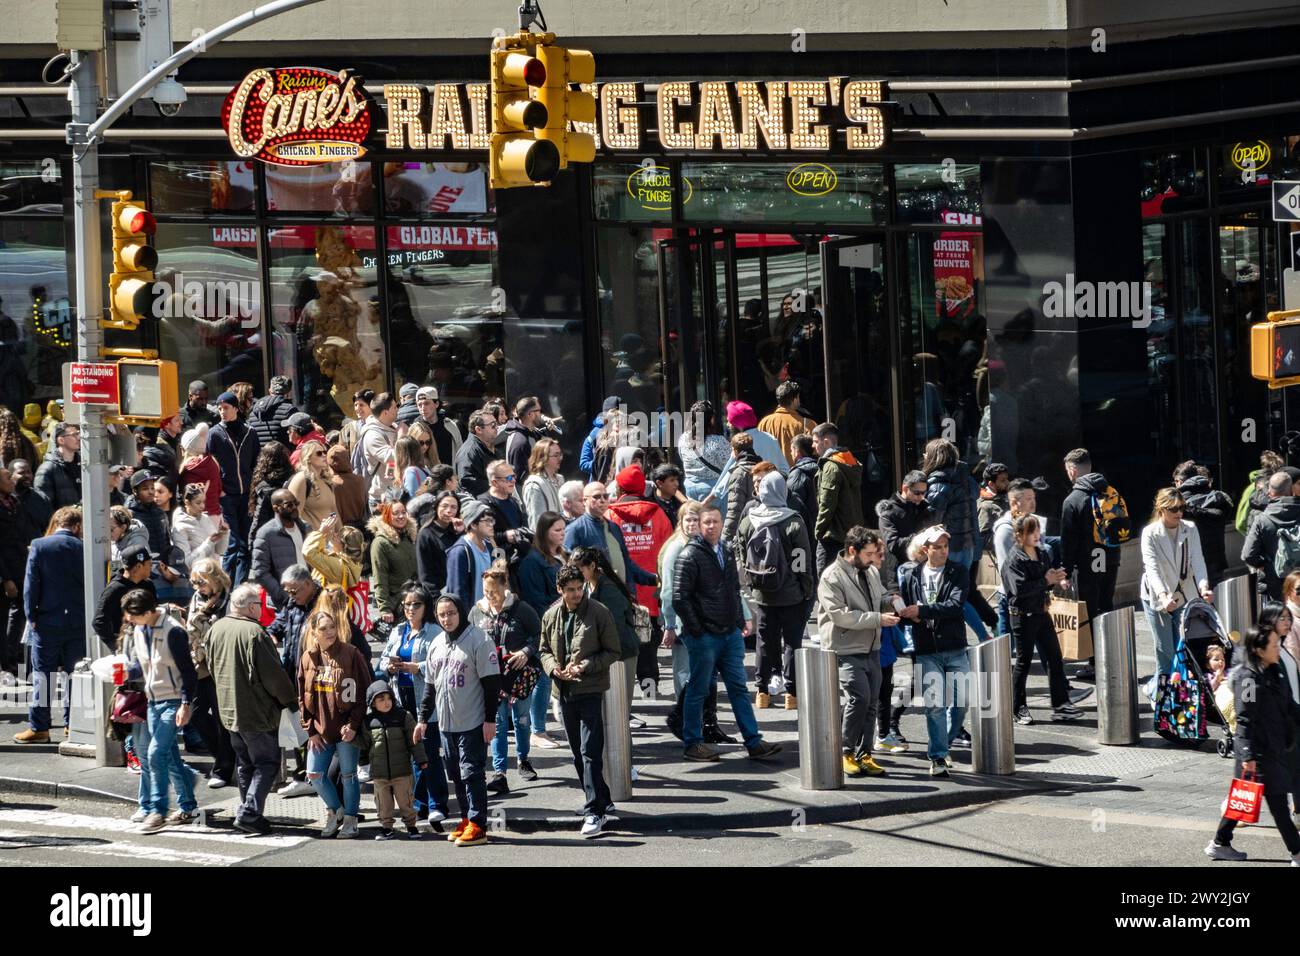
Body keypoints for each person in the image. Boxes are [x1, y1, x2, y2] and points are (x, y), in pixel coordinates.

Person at [672, 504, 783, 763]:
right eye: (706, 522)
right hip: (705, 636)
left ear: (722, 523)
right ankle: (693, 743)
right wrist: (698, 630)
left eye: (715, 522)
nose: (711, 526)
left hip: (728, 633)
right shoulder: (689, 555)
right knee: (698, 689)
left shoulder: (726, 550)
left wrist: (738, 620)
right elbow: (679, 597)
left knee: (738, 689)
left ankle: (753, 741)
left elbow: (733, 588)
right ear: (699, 526)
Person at [1204, 604, 1300, 865]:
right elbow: (1245, 720)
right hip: (1257, 753)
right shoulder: (1248, 679)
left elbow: (1289, 705)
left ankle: (1220, 842)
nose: (1278, 648)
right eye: (1273, 646)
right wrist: (1247, 755)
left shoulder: (1273, 670)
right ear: (1259, 650)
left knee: (1241, 801)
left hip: (1272, 748)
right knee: (1278, 803)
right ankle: (1296, 851)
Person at [206, 583, 298, 835]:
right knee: (267, 763)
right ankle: (249, 813)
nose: (262, 608)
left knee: (245, 764)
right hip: (256, 712)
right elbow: (274, 677)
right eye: (259, 604)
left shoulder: (217, 628)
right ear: (250, 607)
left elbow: (211, 667)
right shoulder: (255, 634)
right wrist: (290, 701)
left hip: (229, 711)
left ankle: (247, 811)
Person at [538, 563, 621, 838]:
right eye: (570, 590)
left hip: (590, 690)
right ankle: (601, 799)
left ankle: (593, 811)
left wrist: (586, 665)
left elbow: (613, 651)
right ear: (560, 590)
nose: (576, 594)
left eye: (579, 588)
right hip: (563, 691)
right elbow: (543, 650)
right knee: (577, 752)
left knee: (589, 751)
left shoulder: (599, 613)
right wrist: (553, 669)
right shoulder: (551, 615)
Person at [414, 593, 501, 847]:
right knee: (455, 774)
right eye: (442, 614)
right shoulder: (436, 643)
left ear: (461, 612)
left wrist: (490, 719)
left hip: (472, 721)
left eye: (451, 613)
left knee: (472, 772)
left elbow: (492, 684)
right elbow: (429, 687)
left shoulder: (479, 640)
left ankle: (478, 823)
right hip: (445, 724)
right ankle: (465, 818)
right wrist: (421, 719)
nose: (447, 618)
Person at [818, 526, 898, 777]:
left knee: (871, 702)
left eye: (875, 552)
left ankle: (865, 754)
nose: (873, 558)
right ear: (852, 550)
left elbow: (880, 596)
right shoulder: (832, 576)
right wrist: (877, 618)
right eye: (869, 553)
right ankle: (845, 751)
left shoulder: (870, 571)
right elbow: (840, 615)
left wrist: (893, 601)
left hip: (872, 646)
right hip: (845, 647)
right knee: (859, 698)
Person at [118, 588, 199, 833]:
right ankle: (188, 806)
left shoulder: (173, 631)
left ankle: (158, 810)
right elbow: (144, 665)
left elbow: (188, 672)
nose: (129, 621)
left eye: (133, 616)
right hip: (153, 701)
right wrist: (125, 671)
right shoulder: (141, 629)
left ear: (148, 612)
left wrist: (186, 704)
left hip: (172, 701)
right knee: (170, 756)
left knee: (155, 754)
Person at [735, 471, 814, 710]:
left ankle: (761, 692)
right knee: (792, 643)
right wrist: (806, 588)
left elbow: (740, 553)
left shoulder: (749, 519)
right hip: (791, 594)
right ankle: (792, 694)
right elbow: (802, 560)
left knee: (764, 642)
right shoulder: (793, 521)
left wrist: (749, 582)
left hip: (761, 593)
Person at [896, 526, 969, 777]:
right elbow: (906, 611)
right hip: (926, 648)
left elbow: (955, 605)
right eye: (937, 547)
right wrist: (906, 616)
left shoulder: (958, 571)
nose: (943, 551)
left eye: (945, 546)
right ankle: (937, 756)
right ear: (925, 549)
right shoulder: (912, 574)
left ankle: (944, 745)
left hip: (955, 646)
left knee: (962, 702)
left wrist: (922, 611)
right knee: (934, 705)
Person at [659, 502, 731, 744]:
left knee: (708, 675)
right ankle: (688, 722)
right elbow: (669, 591)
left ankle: (708, 724)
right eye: (687, 520)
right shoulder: (676, 549)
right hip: (685, 624)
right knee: (687, 673)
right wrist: (669, 624)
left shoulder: (708, 547)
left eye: (695, 520)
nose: (691, 524)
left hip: (707, 623)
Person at [1003, 515, 1084, 724]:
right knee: (1023, 662)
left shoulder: (1041, 553)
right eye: (1031, 531)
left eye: (1037, 530)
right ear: (1019, 535)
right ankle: (1017, 707)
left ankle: (1061, 704)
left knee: (1055, 658)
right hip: (1022, 616)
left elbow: (1045, 581)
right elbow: (1018, 590)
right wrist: (1045, 580)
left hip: (1042, 612)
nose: (1036, 535)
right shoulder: (1015, 559)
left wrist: (1057, 579)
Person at [379, 583, 450, 826]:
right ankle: (420, 803)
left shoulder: (434, 632)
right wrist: (389, 665)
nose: (410, 608)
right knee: (412, 752)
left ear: (425, 607)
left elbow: (442, 662)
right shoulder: (398, 631)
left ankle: (437, 804)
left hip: (425, 698)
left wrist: (416, 667)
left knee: (428, 752)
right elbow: (382, 660)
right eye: (407, 604)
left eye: (416, 604)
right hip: (401, 697)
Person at [298, 605, 370, 839]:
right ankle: (335, 811)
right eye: (323, 628)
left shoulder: (351, 653)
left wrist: (354, 725)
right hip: (321, 730)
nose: (329, 632)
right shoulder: (308, 658)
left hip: (347, 728)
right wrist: (311, 731)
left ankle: (350, 819)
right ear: (314, 632)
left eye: (332, 627)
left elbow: (363, 693)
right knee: (315, 774)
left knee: (349, 775)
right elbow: (302, 697)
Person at [471, 561, 542, 793]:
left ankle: (523, 760)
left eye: (494, 591)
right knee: (498, 723)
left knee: (522, 720)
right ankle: (499, 771)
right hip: (492, 677)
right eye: (486, 591)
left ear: (505, 588)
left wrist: (526, 652)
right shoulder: (477, 611)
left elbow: (540, 635)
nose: (490, 596)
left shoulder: (521, 609)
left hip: (519, 676)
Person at [15, 506, 83, 744]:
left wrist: (30, 615)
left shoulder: (40, 545)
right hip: (77, 621)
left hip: (47, 620)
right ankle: (72, 724)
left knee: (43, 676)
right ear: (76, 526)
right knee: (74, 675)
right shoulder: (84, 548)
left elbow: (30, 583)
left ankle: (40, 727)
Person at [1060, 447, 1125, 679]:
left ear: (1072, 470)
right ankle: (1113, 655)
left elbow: (1069, 541)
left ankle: (1096, 661)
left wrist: (1065, 571)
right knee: (1107, 605)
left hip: (1087, 564)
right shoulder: (1110, 492)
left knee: (1090, 611)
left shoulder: (1073, 500)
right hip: (1111, 559)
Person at [607, 464, 673, 694]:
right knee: (649, 643)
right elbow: (668, 550)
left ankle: (622, 693)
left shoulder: (610, 515)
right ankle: (650, 690)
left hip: (622, 591)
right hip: (651, 590)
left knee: (620, 642)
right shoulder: (658, 513)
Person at [1141, 488, 1213, 697]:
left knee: (1182, 650)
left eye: (1181, 507)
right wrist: (1163, 596)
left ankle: (1173, 694)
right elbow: (1151, 568)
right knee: (1165, 650)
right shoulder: (1150, 533)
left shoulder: (1189, 528)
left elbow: (1198, 560)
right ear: (1161, 509)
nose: (1178, 513)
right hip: (1156, 596)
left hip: (1183, 594)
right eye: (1173, 509)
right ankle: (1162, 698)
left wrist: (1203, 587)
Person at [922, 438, 990, 643]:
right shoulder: (966, 479)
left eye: (927, 453)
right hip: (967, 544)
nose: (924, 457)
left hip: (946, 546)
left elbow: (932, 518)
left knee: (953, 597)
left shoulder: (939, 484)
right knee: (956, 593)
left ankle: (982, 634)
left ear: (934, 457)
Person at [572, 546, 641, 733]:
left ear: (592, 566)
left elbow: (614, 627)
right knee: (606, 711)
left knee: (619, 710)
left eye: (580, 569)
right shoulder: (587, 585)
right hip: (606, 654)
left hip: (621, 653)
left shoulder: (608, 587)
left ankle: (624, 760)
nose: (576, 574)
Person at [517, 511, 567, 748]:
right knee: (543, 678)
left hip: (563, 625)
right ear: (544, 532)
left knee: (552, 677)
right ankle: (537, 730)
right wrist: (564, 601)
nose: (561, 534)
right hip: (543, 626)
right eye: (556, 530)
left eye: (563, 529)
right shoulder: (532, 561)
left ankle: (543, 727)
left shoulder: (560, 555)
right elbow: (534, 600)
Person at [185, 558, 236, 789]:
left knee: (221, 717)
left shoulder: (230, 599)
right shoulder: (197, 598)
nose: (198, 588)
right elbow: (191, 628)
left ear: (215, 579)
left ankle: (223, 768)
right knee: (195, 714)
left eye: (201, 582)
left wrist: (200, 620)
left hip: (222, 664)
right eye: (194, 583)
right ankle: (224, 757)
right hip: (200, 663)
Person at [563, 481, 659, 593]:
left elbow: (627, 564)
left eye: (605, 496)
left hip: (624, 595)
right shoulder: (575, 529)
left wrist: (653, 579)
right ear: (585, 500)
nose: (602, 500)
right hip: (597, 600)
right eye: (597, 497)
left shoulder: (614, 527)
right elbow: (569, 570)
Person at [360, 679, 428, 839]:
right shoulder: (369, 721)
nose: (386, 702)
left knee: (406, 800)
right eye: (381, 699)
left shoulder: (403, 716)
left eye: (388, 698)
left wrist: (421, 759)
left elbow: (414, 741)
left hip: (402, 771)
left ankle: (411, 826)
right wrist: (362, 763)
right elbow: (365, 745)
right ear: (372, 703)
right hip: (379, 773)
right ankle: (387, 827)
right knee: (383, 803)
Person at [208, 391, 261, 584]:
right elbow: (210, 465)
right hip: (227, 496)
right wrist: (218, 490)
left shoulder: (249, 432)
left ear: (236, 409)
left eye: (226, 408)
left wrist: (254, 488)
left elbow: (257, 462)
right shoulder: (215, 433)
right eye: (220, 408)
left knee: (245, 542)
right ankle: (226, 582)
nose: (222, 412)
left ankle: (240, 583)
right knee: (233, 542)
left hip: (246, 495)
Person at [812, 421, 863, 577]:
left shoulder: (830, 466)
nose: (813, 447)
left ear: (826, 441)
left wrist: (818, 531)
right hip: (849, 532)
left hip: (832, 535)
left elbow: (826, 504)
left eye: (815, 441)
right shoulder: (849, 461)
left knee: (825, 578)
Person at [0, 465, 36, 679]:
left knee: (21, 611)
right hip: (6, 570)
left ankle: (13, 656)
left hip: (21, 563)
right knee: (7, 617)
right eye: (6, 477)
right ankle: (7, 661)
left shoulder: (15, 502)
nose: (12, 480)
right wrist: (6, 579)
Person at [1242, 470, 1300, 603]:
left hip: (1274, 583)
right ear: (1291, 489)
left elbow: (1248, 555)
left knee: (1280, 619)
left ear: (1270, 492)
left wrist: (1265, 565)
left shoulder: (1262, 519)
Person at [1174, 462, 1233, 588]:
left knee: (1194, 605)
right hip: (1216, 561)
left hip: (1189, 565)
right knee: (1216, 601)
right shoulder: (1218, 497)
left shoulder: (1178, 503)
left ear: (1179, 481)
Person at [251, 489, 309, 611]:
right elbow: (260, 572)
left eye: (296, 503)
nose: (294, 507)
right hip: (284, 605)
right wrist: (284, 595)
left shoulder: (305, 527)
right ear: (276, 508)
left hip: (308, 596)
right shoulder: (266, 533)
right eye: (289, 505)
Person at [92, 545, 156, 655]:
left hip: (149, 646)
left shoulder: (148, 585)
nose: (152, 566)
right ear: (139, 566)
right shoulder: (114, 589)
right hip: (128, 649)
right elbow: (99, 622)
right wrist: (117, 647)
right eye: (149, 563)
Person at [876, 471, 932, 588]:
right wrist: (918, 538)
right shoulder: (888, 512)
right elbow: (893, 545)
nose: (921, 497)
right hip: (899, 572)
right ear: (905, 488)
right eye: (917, 493)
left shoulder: (924, 507)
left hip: (924, 570)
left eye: (923, 493)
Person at [369, 498, 418, 623]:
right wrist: (385, 608)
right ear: (387, 516)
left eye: (403, 512)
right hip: (397, 604)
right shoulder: (380, 543)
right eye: (395, 513)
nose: (401, 516)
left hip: (416, 599)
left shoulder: (409, 536)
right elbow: (380, 577)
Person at [478, 459, 531, 567]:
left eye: (514, 476)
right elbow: (481, 537)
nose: (513, 481)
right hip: (501, 564)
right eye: (508, 478)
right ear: (494, 482)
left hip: (521, 559)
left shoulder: (513, 501)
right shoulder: (483, 505)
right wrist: (505, 536)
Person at [444, 500, 496, 606]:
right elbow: (457, 593)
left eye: (492, 521)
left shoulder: (489, 547)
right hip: (471, 619)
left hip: (490, 617)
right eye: (487, 521)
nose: (491, 525)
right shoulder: (460, 552)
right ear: (473, 524)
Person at [758, 381, 817, 467]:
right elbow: (816, 451)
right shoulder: (808, 424)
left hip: (771, 474)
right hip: (798, 474)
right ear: (795, 399)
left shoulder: (764, 422)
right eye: (798, 397)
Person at [503, 395, 562, 479]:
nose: (541, 414)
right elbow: (520, 477)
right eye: (539, 411)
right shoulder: (520, 442)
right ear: (530, 414)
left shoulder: (532, 432)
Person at [724, 400, 788, 475]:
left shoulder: (741, 445)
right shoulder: (771, 438)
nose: (728, 425)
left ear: (739, 426)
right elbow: (785, 470)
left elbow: (726, 479)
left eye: (730, 422)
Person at [719, 432, 762, 543]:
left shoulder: (739, 473)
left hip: (746, 531)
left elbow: (734, 509)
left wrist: (724, 539)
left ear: (734, 450)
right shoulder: (762, 469)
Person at [415, 491, 461, 594]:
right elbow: (425, 575)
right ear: (436, 507)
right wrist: (437, 600)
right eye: (444, 506)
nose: (449, 510)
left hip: (459, 590)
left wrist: (462, 533)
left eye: (453, 507)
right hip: (440, 594)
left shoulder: (458, 531)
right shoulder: (425, 535)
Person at [286, 441, 336, 531]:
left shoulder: (326, 480)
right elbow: (294, 516)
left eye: (325, 452)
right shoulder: (301, 479)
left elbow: (333, 512)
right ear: (308, 458)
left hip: (329, 541)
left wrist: (341, 535)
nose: (324, 455)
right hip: (312, 541)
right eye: (319, 453)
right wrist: (318, 533)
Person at [359, 392, 400, 504]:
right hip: (381, 499)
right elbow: (390, 458)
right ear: (386, 412)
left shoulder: (394, 426)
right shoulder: (372, 435)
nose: (398, 409)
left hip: (396, 494)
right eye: (395, 407)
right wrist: (402, 437)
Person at [1235, 449, 1284, 535]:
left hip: (1257, 537)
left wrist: (1250, 535)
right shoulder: (1286, 485)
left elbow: (1240, 523)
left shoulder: (1252, 488)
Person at [34, 421, 80, 509]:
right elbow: (44, 505)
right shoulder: (47, 469)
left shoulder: (83, 464)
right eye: (73, 435)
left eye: (78, 434)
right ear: (61, 440)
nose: (78, 438)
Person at [178, 424, 221, 518]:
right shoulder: (213, 463)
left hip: (196, 517)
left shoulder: (186, 470)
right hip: (215, 515)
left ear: (184, 449)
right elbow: (219, 490)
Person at [453, 409, 498, 499]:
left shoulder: (487, 447)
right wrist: (497, 486)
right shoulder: (468, 452)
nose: (497, 427)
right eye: (492, 425)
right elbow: (467, 482)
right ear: (478, 429)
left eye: (496, 424)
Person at [248, 375, 301, 447]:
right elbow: (297, 437)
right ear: (288, 392)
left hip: (259, 457)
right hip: (282, 456)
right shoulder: (289, 410)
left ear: (269, 390)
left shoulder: (254, 411)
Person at [522, 438, 564, 528]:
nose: (560, 458)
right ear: (542, 458)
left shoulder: (560, 479)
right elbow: (536, 522)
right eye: (556, 455)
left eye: (560, 454)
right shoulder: (534, 485)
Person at [579, 396, 620, 482]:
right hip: (600, 483)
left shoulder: (628, 431)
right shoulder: (594, 435)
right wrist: (603, 463)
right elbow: (584, 463)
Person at [326, 444, 368, 528]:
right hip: (361, 527)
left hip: (341, 529)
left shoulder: (331, 484)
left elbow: (331, 512)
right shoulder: (360, 480)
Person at [785, 434, 819, 537]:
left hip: (805, 531)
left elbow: (792, 505)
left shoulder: (797, 474)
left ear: (797, 452)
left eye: (791, 450)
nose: (791, 453)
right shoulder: (821, 467)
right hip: (820, 527)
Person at [976, 462, 1010, 554]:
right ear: (991, 484)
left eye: (1007, 479)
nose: (1007, 483)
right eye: (1003, 480)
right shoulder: (985, 506)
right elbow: (984, 539)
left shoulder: (1005, 497)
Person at [649, 463, 685, 528]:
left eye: (677, 479)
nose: (677, 484)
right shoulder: (651, 506)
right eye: (672, 480)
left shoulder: (679, 502)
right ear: (659, 483)